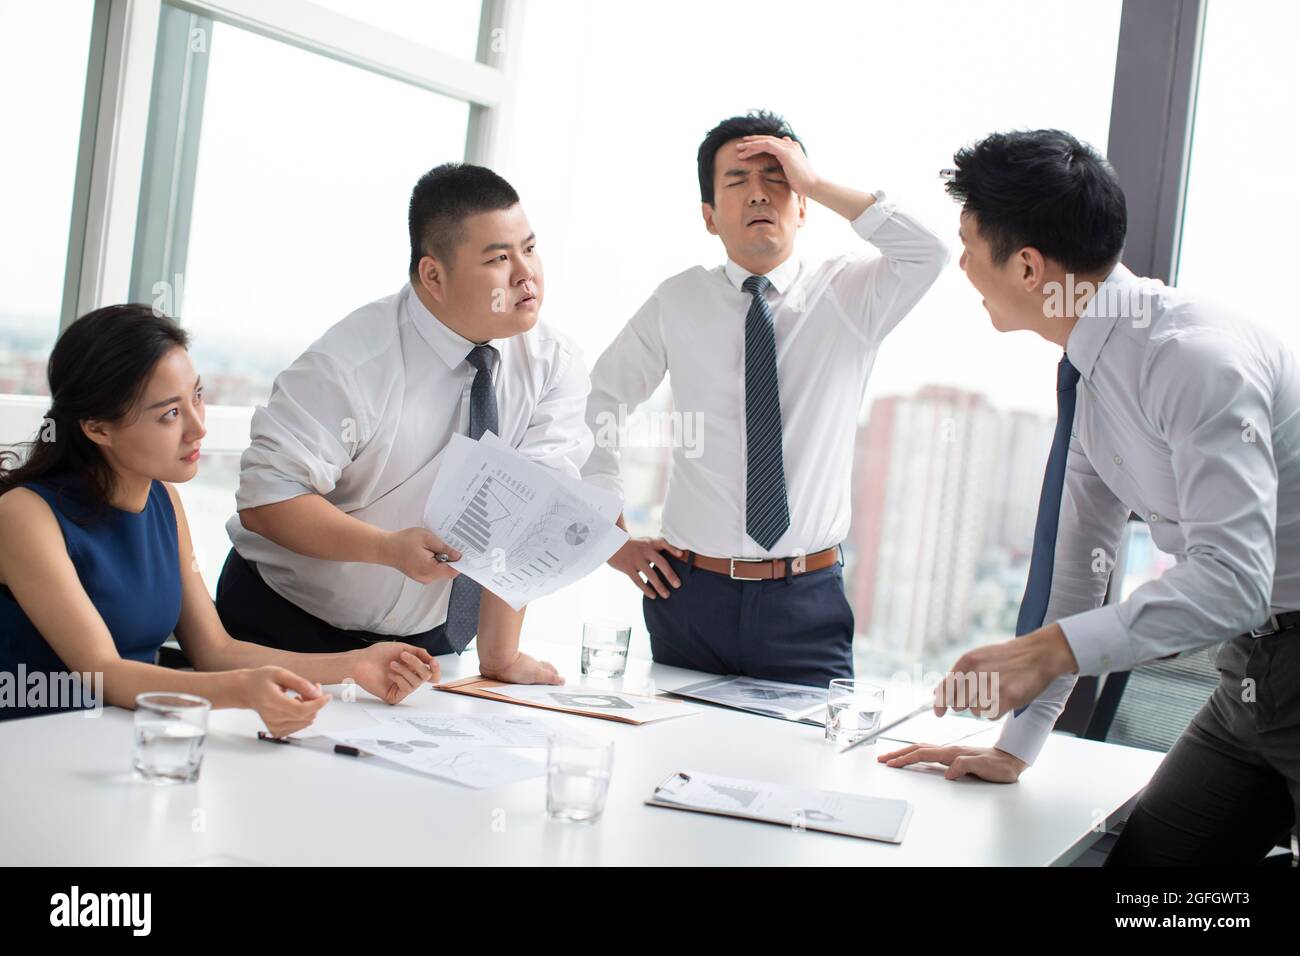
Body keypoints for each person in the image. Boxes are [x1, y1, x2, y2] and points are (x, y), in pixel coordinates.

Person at [880, 129, 1300, 866]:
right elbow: (1080, 572)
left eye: (970, 246)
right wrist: (1017, 744)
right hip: (1256, 669)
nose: (966, 268)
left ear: (1030, 265)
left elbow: (1234, 581)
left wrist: (1044, 651)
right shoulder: (1097, 374)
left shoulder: (1192, 361)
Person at [581, 110, 948, 687]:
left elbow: (927, 252)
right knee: (675, 768)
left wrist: (820, 183)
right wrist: (607, 533)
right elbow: (602, 399)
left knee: (805, 769)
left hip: (806, 603)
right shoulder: (678, 300)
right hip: (687, 597)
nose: (759, 193)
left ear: (802, 205)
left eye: (777, 178)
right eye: (737, 181)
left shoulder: (851, 295)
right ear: (709, 217)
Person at [216, 163, 590, 686]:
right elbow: (266, 502)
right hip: (285, 627)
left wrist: (500, 655)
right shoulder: (351, 363)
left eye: (529, 248)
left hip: (425, 646)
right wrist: (386, 549)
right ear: (433, 275)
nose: (525, 274)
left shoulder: (554, 363)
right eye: (499, 259)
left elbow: (528, 515)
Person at [0, 305, 440, 730]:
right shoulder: (25, 515)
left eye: (197, 396)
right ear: (98, 428)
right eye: (170, 414)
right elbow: (103, 673)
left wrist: (354, 666)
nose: (198, 427)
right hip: (31, 746)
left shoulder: (163, 501)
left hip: (120, 740)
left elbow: (215, 649)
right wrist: (242, 692)